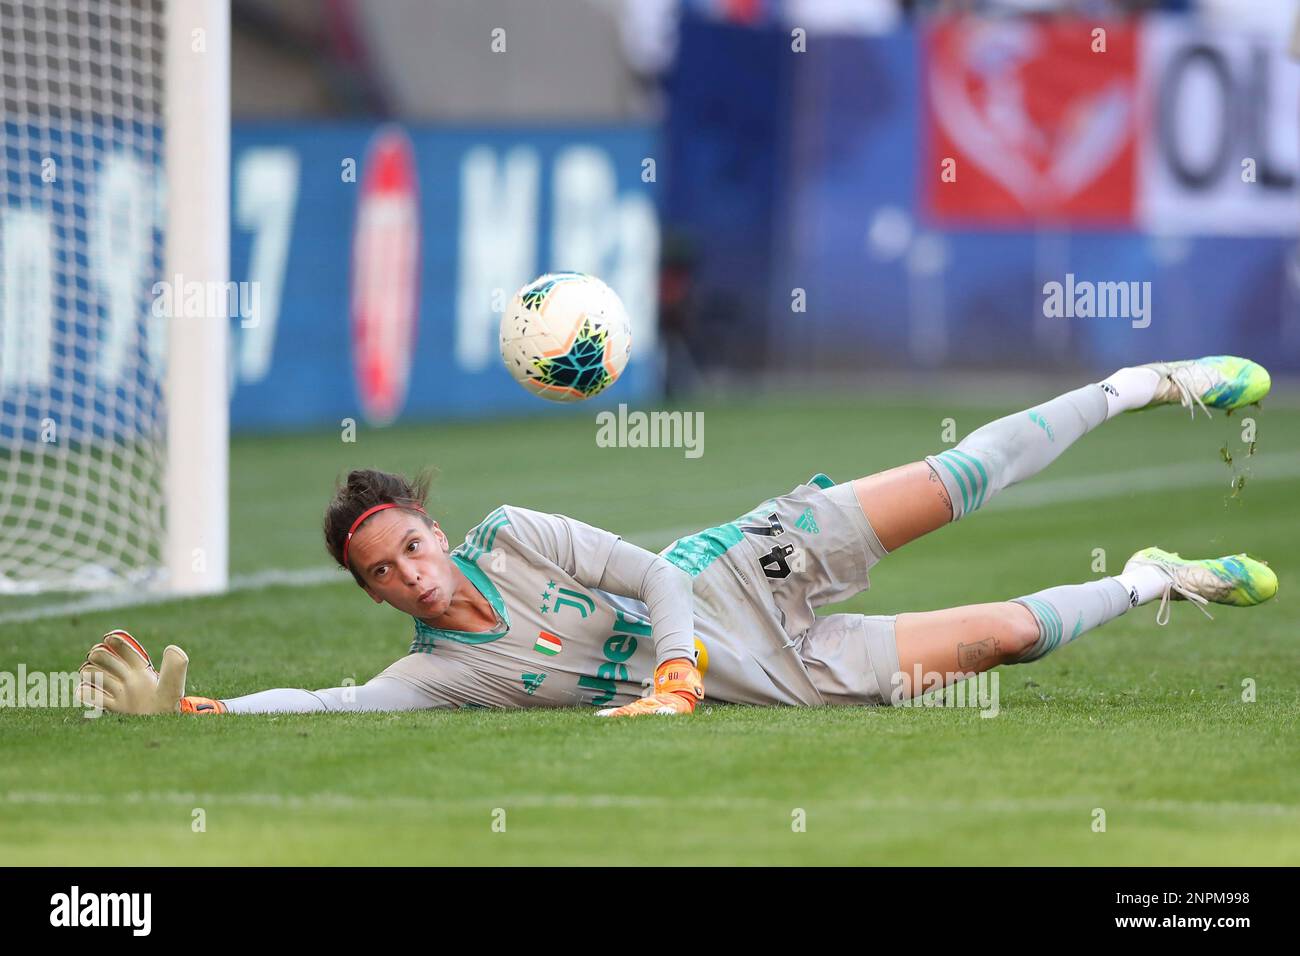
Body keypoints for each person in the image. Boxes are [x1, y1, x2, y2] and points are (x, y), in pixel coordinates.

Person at [78, 356, 1278, 718]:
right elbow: (335, 703)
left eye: (409, 543)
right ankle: (1151, 576)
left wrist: (672, 668)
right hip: (773, 671)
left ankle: (1141, 384)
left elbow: (655, 568)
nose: (406, 570)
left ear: (438, 529)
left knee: (955, 476)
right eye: (380, 570)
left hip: (745, 566)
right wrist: (200, 715)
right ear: (374, 586)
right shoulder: (437, 675)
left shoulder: (512, 533)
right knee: (1010, 639)